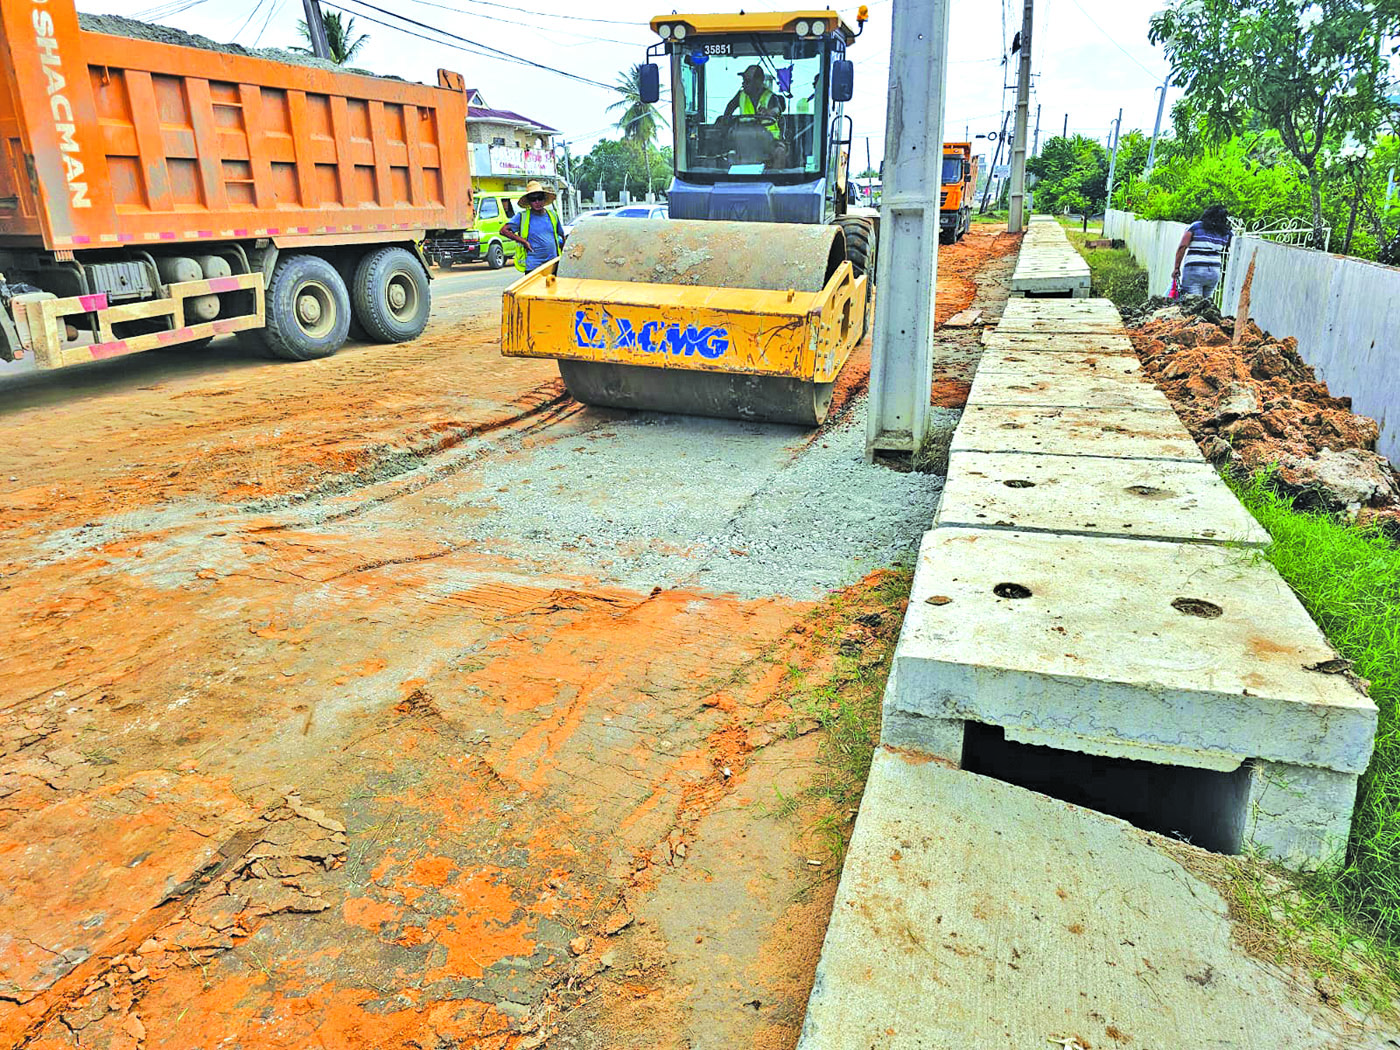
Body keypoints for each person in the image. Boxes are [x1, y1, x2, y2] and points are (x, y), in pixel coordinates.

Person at [501, 181, 563, 273]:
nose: (537, 202)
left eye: (539, 198)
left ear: (544, 199)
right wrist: (523, 241)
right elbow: (503, 230)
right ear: (529, 202)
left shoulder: (553, 215)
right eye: (533, 199)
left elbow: (562, 235)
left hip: (552, 263)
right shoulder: (522, 216)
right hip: (533, 265)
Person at [1172, 204, 1232, 298]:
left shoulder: (1195, 227)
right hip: (1214, 271)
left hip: (1195, 269)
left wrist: (1176, 268)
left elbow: (1182, 247)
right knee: (1205, 305)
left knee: (1192, 303)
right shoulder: (1225, 233)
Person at [722, 64, 784, 138]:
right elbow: (729, 109)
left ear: (758, 82)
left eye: (747, 81)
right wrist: (725, 125)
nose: (743, 84)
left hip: (770, 142)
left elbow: (776, 110)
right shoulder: (741, 95)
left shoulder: (771, 97)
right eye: (743, 80)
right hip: (746, 141)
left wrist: (768, 112)